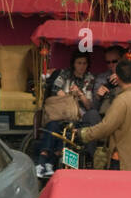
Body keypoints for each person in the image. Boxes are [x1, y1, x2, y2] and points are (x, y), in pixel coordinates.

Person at [35, 50, 100, 178]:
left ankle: (50, 161)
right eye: (79, 63)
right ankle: (43, 162)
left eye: (84, 63)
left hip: (79, 115)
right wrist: (69, 97)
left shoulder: (90, 78)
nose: (81, 66)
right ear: (73, 64)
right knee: (53, 126)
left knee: (69, 128)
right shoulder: (64, 74)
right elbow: (55, 90)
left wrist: (80, 93)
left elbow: (89, 105)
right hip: (62, 110)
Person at [77, 59, 131, 170]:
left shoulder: (121, 100)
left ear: (117, 77)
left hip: (123, 160)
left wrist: (83, 133)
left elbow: (106, 127)